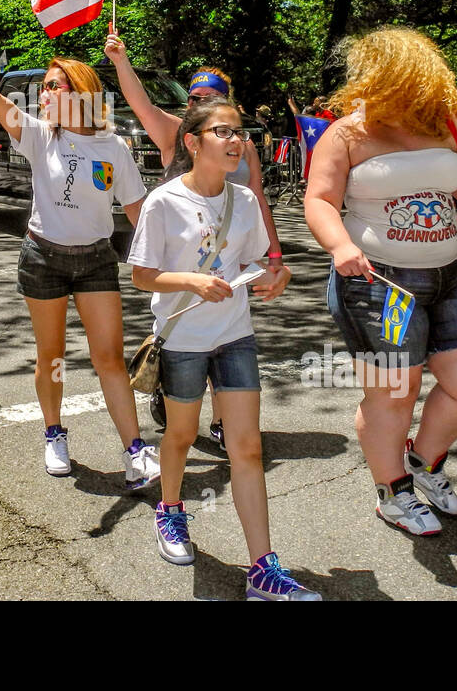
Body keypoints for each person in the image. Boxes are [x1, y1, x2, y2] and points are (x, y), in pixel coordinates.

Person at [306, 26, 457, 536]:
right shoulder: (347, 133)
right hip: (380, 284)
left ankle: (423, 462)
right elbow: (319, 199)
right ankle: (393, 490)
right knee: (393, 392)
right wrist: (340, 246)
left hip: (451, 275)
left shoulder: (444, 125)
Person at [0, 14, 159, 490]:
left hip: (97, 260)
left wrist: (168, 264)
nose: (45, 93)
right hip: (43, 259)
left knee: (110, 359)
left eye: (55, 85)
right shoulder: (40, 134)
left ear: (81, 91)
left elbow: (141, 212)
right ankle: (54, 432)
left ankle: (135, 450)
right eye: (44, 87)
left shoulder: (114, 147)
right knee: (51, 356)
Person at [128, 96, 317, 599]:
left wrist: (277, 274)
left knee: (247, 448)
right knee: (182, 436)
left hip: (234, 335)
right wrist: (191, 280)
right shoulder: (163, 201)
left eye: (240, 132)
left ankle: (262, 567)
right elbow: (142, 274)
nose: (237, 141)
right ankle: (170, 511)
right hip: (184, 340)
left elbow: (258, 260)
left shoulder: (246, 200)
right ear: (192, 142)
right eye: (223, 132)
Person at [104, 31, 287, 449]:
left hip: (228, 263)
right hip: (178, 261)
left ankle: (224, 421)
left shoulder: (243, 146)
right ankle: (171, 391)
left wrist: (273, 256)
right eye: (191, 98)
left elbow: (258, 199)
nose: (194, 104)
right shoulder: (174, 132)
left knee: (228, 337)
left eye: (205, 97)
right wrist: (121, 62)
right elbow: (140, 104)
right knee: (182, 336)